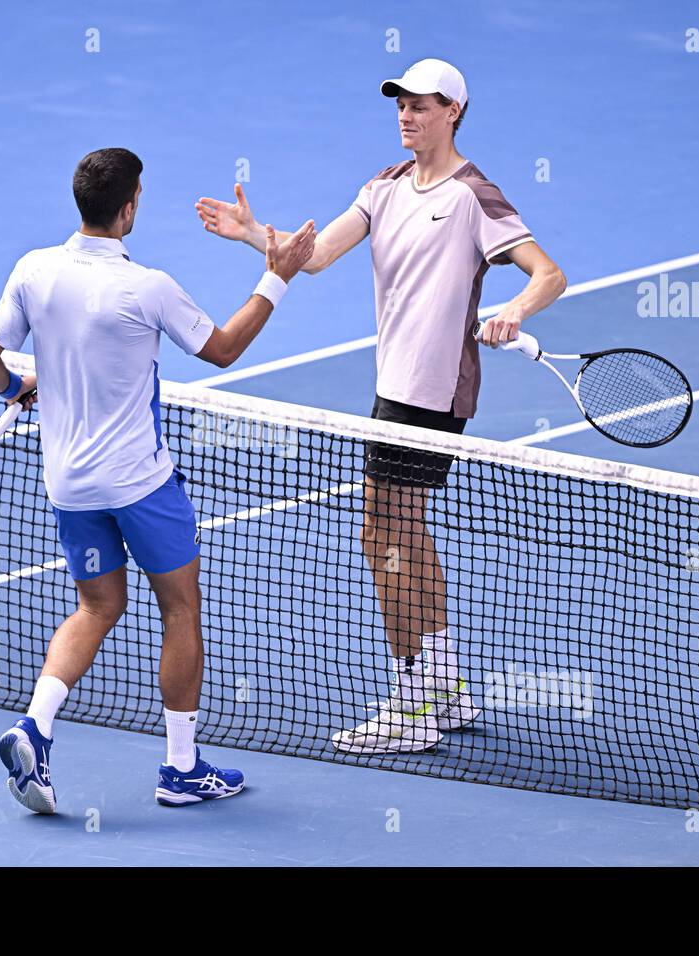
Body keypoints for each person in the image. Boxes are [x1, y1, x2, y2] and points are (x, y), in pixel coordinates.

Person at [195, 59, 566, 754]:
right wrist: (253, 234)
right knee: (406, 531)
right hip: (393, 387)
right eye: (399, 104)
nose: (405, 115)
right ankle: (446, 687)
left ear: (453, 111)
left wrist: (513, 308)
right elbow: (314, 256)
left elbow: (549, 274)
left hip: (433, 391)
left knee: (382, 536)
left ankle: (410, 704)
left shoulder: (473, 196)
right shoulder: (384, 187)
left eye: (420, 106)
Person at [0, 148, 315, 811]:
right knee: (180, 609)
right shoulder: (146, 286)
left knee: (96, 607)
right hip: (142, 487)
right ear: (129, 209)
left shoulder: (34, 270)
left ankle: (35, 727)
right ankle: (181, 769)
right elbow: (222, 349)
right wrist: (277, 277)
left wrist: (19, 385)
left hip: (69, 486)